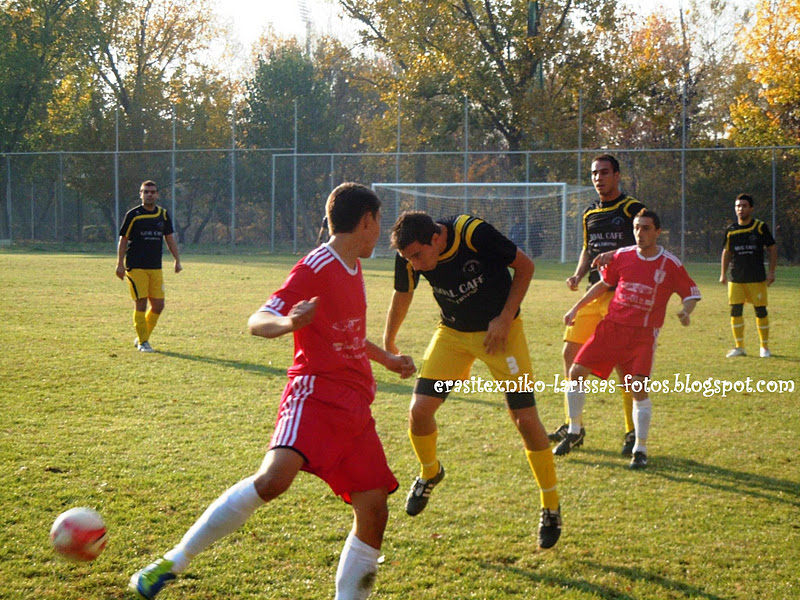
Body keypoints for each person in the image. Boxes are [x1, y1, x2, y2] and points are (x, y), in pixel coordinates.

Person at [129, 183, 416, 600]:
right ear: (367, 221)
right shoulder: (316, 265)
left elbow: (348, 333)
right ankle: (174, 560)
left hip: (355, 409)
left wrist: (386, 360)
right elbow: (258, 318)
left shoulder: (353, 267)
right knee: (273, 479)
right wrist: (288, 324)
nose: (380, 234)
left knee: (373, 509)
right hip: (315, 395)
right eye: (379, 224)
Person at [383, 210, 562, 549]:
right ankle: (429, 472)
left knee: (525, 420)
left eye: (419, 256)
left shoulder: (472, 232)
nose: (415, 265)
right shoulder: (409, 252)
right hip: (452, 334)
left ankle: (551, 506)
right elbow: (403, 294)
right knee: (419, 411)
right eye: (409, 259)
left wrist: (505, 317)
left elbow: (525, 267)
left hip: (501, 335)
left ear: (436, 238)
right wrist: (390, 340)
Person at [562, 209, 701, 469]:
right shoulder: (623, 256)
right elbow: (603, 285)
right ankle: (574, 430)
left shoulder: (670, 264)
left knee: (637, 388)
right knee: (576, 371)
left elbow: (691, 293)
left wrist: (686, 310)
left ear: (658, 232)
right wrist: (575, 308)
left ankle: (640, 448)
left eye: (646, 228)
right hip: (611, 329)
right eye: (637, 227)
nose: (640, 233)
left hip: (643, 336)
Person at [550, 154, 646, 457]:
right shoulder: (589, 212)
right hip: (595, 291)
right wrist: (578, 273)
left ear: (617, 175)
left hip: (622, 295)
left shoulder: (632, 209)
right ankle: (573, 426)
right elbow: (587, 248)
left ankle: (631, 432)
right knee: (570, 354)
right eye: (594, 173)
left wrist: (615, 255)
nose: (598, 178)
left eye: (604, 172)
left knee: (623, 365)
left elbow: (643, 245)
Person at [115, 180, 182, 353]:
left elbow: (169, 238)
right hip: (135, 266)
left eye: (152, 191)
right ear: (141, 194)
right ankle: (144, 342)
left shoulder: (163, 215)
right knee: (141, 304)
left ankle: (141, 337)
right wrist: (119, 264)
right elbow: (123, 240)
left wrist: (177, 259)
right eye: (146, 192)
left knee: (159, 305)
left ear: (157, 194)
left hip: (155, 267)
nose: (149, 194)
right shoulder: (133, 214)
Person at [720, 193, 777, 358]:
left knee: (760, 311)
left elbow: (772, 248)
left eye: (744, 206)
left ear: (751, 208)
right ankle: (739, 347)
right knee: (735, 310)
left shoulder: (759, 227)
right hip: (736, 278)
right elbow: (727, 251)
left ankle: (764, 348)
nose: (740, 209)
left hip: (756, 278)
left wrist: (772, 271)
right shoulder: (731, 230)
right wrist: (723, 273)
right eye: (738, 206)